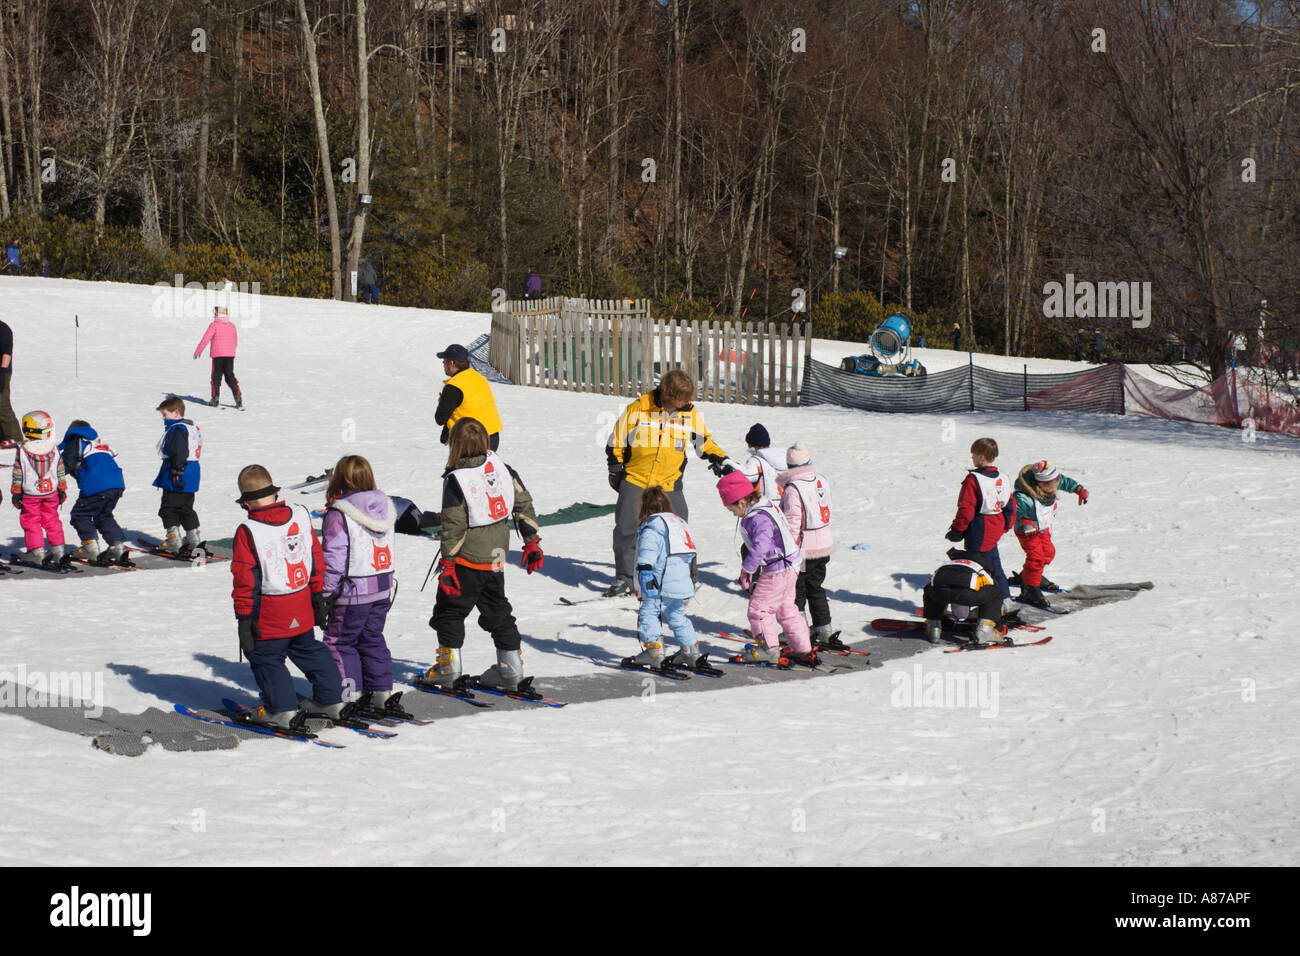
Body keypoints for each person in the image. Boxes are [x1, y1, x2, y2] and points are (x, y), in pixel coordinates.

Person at [420, 418, 544, 693]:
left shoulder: (457, 480)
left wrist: (448, 564)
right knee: (498, 610)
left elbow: (454, 525)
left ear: (455, 446)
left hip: (466, 559)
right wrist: (532, 542)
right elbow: (523, 503)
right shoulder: (501, 467)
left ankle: (448, 668)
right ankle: (511, 670)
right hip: (497, 554)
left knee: (450, 612)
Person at [231, 464, 347, 730]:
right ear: (274, 492)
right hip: (302, 601)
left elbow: (245, 578)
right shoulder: (300, 514)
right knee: (309, 649)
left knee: (267, 658)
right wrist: (318, 595)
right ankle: (332, 699)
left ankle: (281, 709)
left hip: (271, 609)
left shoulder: (248, 530)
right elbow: (315, 557)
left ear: (247, 503)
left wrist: (244, 616)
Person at [604, 368, 730, 597]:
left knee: (680, 531)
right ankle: (624, 578)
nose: (685, 403)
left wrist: (721, 458)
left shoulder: (689, 414)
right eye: (681, 399)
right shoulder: (639, 408)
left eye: (687, 399)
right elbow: (616, 440)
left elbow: (704, 443)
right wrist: (616, 469)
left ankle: (686, 577)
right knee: (626, 529)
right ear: (667, 393)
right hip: (636, 478)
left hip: (670, 482)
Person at [320, 455, 405, 717]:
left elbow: (334, 557)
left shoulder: (339, 513)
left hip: (351, 590)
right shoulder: (385, 508)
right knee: (372, 639)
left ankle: (349, 695)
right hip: (381, 586)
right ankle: (380, 692)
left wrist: (326, 591)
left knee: (340, 642)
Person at [717, 469, 817, 667]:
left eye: (732, 509)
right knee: (786, 609)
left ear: (742, 502)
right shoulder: (767, 504)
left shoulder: (756, 517)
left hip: (778, 568)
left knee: (758, 610)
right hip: (792, 564)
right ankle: (802, 648)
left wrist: (748, 569)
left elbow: (761, 545)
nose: (733, 514)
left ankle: (768, 649)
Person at [625, 485, 702, 671]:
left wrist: (646, 577)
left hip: (658, 582)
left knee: (649, 613)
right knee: (677, 615)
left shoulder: (651, 528)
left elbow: (646, 556)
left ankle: (654, 652)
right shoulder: (679, 525)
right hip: (680, 581)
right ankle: (691, 650)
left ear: (644, 507)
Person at [945, 437, 1015, 611]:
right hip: (996, 525)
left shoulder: (973, 479)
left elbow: (966, 508)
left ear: (981, 457)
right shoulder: (1003, 478)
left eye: (974, 455)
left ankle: (983, 605)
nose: (972, 458)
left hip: (980, 528)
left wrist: (957, 529)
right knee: (994, 563)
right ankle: (1005, 599)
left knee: (978, 565)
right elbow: (1011, 505)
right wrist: (1005, 525)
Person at [779, 441, 836, 645]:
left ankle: (798, 630)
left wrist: (788, 550)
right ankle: (824, 628)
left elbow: (793, 523)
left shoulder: (792, 488)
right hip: (824, 544)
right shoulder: (821, 480)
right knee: (816, 586)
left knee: (797, 590)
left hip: (803, 549)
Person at [1011, 460, 1088, 609]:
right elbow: (1009, 515)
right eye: (1051, 485)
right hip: (1028, 531)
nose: (1055, 487)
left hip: (1043, 528)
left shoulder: (1051, 482)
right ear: (1039, 484)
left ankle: (1028, 576)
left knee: (1048, 553)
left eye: (1055, 483)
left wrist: (1078, 489)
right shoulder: (1024, 498)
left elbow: (1063, 482)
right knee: (1037, 557)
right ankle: (1029, 590)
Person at [59, 419, 129, 566]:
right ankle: (118, 547)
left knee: (79, 515)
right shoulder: (98, 444)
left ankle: (89, 547)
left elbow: (66, 463)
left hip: (96, 485)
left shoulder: (76, 441)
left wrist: (54, 476)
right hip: (116, 484)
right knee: (103, 515)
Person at [9, 410, 67, 568]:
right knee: (52, 519)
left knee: (31, 521)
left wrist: (16, 492)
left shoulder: (22, 450)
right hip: (51, 492)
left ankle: (36, 551)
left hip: (30, 494)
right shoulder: (53, 448)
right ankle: (58, 549)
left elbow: (17, 473)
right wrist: (62, 487)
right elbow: (60, 469)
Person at [921, 548, 1007, 646]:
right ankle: (985, 630)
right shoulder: (982, 568)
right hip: (967, 594)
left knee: (930, 589)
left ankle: (933, 626)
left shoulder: (950, 563)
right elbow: (991, 588)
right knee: (996, 593)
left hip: (939, 592)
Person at [153, 395, 203, 556]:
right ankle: (194, 538)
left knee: (169, 508)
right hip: (191, 472)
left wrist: (177, 470)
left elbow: (180, 450)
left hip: (178, 473)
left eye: (165, 414)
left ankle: (174, 540)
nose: (163, 418)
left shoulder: (178, 429)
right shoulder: (191, 428)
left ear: (175, 413)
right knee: (186, 507)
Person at [434, 343, 502, 450]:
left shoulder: (454, 386)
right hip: (492, 436)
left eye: (444, 360)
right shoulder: (479, 378)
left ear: (451, 363)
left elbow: (440, 418)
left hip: (471, 440)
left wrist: (442, 403)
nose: (443, 363)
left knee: (467, 466)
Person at [194, 305, 242, 409]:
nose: (214, 315)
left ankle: (215, 399)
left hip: (217, 355)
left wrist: (198, 351)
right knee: (230, 376)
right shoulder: (232, 326)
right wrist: (230, 351)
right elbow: (235, 341)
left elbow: (205, 339)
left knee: (216, 376)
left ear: (218, 314)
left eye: (215, 313)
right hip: (230, 355)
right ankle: (238, 397)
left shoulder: (214, 325)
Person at [739, 423, 784, 502]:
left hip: (764, 505)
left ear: (751, 444)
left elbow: (745, 476)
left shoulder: (755, 461)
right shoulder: (779, 459)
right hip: (781, 504)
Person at [0, 318, 19, 447]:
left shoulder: (3, 329)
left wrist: (2, 372)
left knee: (2, 404)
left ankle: (15, 438)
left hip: (2, 371)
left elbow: (7, 352)